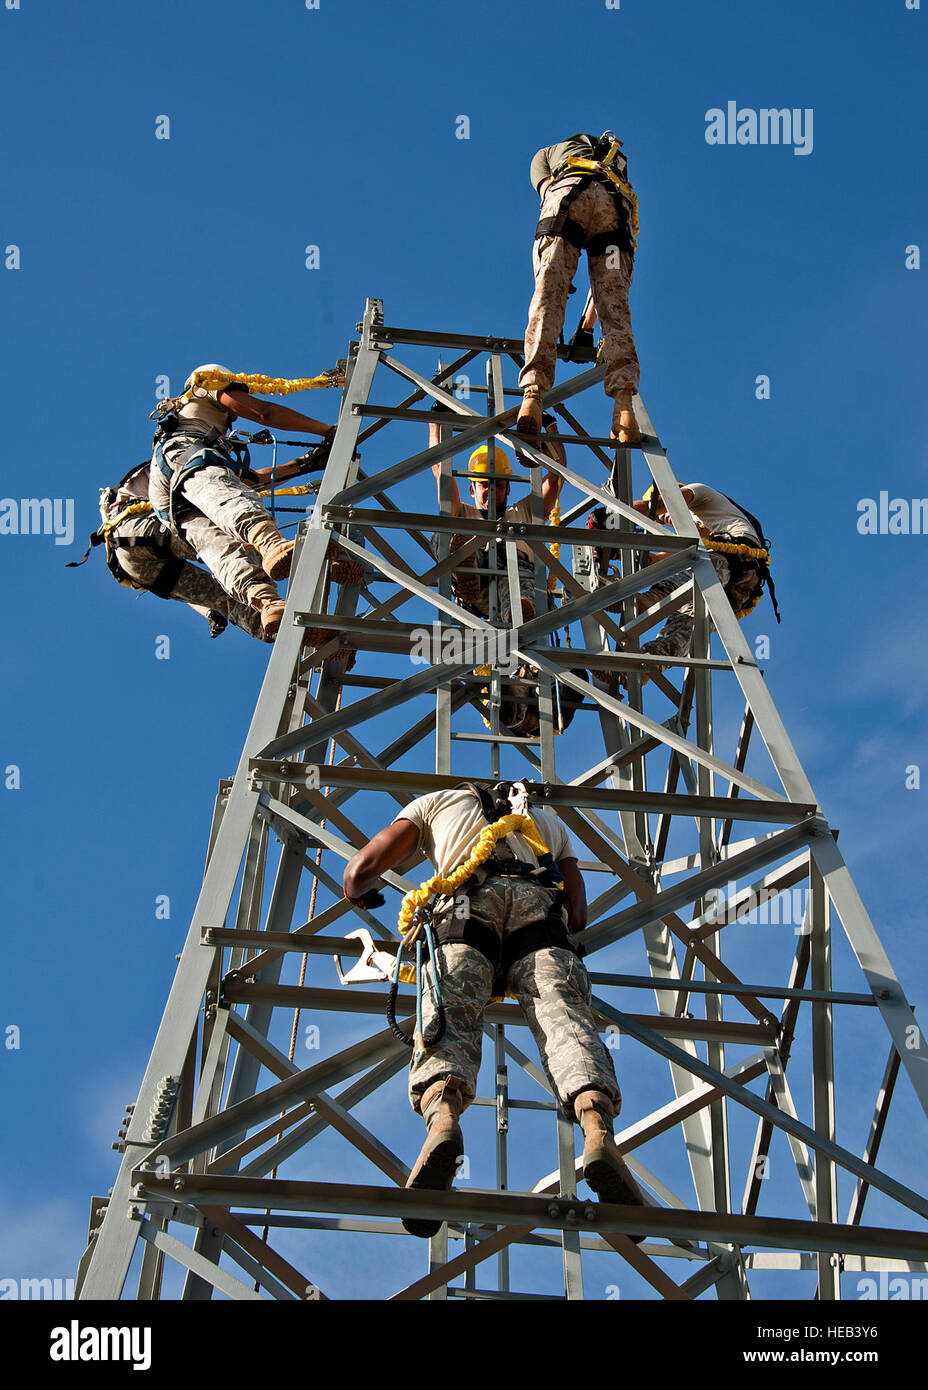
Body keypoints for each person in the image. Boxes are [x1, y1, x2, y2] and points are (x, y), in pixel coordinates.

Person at [342, 781, 646, 1237]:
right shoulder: (548, 823)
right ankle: (597, 1132)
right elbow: (578, 914)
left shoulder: (435, 803)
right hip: (540, 920)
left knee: (451, 1017)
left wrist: (360, 892)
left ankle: (443, 1124)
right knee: (566, 1020)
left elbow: (361, 868)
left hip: (465, 909)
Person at [149, 365, 335, 637]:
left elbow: (248, 481)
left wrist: (304, 464)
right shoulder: (206, 385)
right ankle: (271, 544)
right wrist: (327, 431)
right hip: (183, 458)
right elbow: (263, 412)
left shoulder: (192, 424)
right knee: (231, 500)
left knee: (221, 546)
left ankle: (268, 604)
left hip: (169, 501)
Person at [517, 131, 641, 448]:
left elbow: (547, 278)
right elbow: (606, 296)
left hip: (568, 196)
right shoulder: (615, 158)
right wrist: (585, 328)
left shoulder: (545, 155)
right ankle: (624, 404)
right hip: (615, 207)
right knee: (616, 308)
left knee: (548, 293)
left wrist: (559, 275)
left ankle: (533, 393)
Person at [629, 483, 778, 683]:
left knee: (690, 569)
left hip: (738, 557)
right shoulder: (701, 533)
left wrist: (611, 512)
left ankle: (651, 600)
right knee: (688, 619)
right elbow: (657, 560)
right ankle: (654, 660)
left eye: (662, 514)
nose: (662, 518)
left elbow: (656, 505)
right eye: (659, 519)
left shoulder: (699, 493)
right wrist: (623, 552)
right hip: (739, 586)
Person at [429, 421, 564, 625]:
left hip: (517, 577)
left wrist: (550, 428)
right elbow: (440, 469)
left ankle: (518, 612)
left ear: (508, 489)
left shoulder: (523, 512)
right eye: (484, 485)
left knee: (517, 580)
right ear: (472, 490)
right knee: (443, 535)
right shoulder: (463, 513)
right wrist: (435, 423)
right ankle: (467, 570)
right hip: (476, 590)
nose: (491, 490)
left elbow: (556, 476)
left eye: (498, 485)